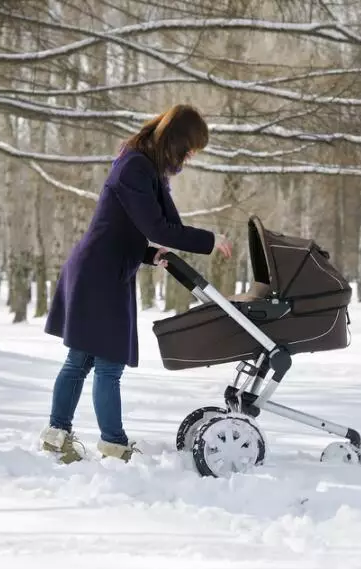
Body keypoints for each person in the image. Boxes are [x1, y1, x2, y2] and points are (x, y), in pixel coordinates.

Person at [39, 104, 232, 464]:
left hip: (104, 269)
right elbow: (158, 228)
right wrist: (210, 240)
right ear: (175, 141)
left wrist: (147, 255)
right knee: (106, 365)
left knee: (79, 361)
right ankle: (114, 444)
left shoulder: (145, 167)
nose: (190, 157)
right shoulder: (136, 168)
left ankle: (56, 434)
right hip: (101, 275)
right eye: (189, 148)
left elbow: (125, 226)